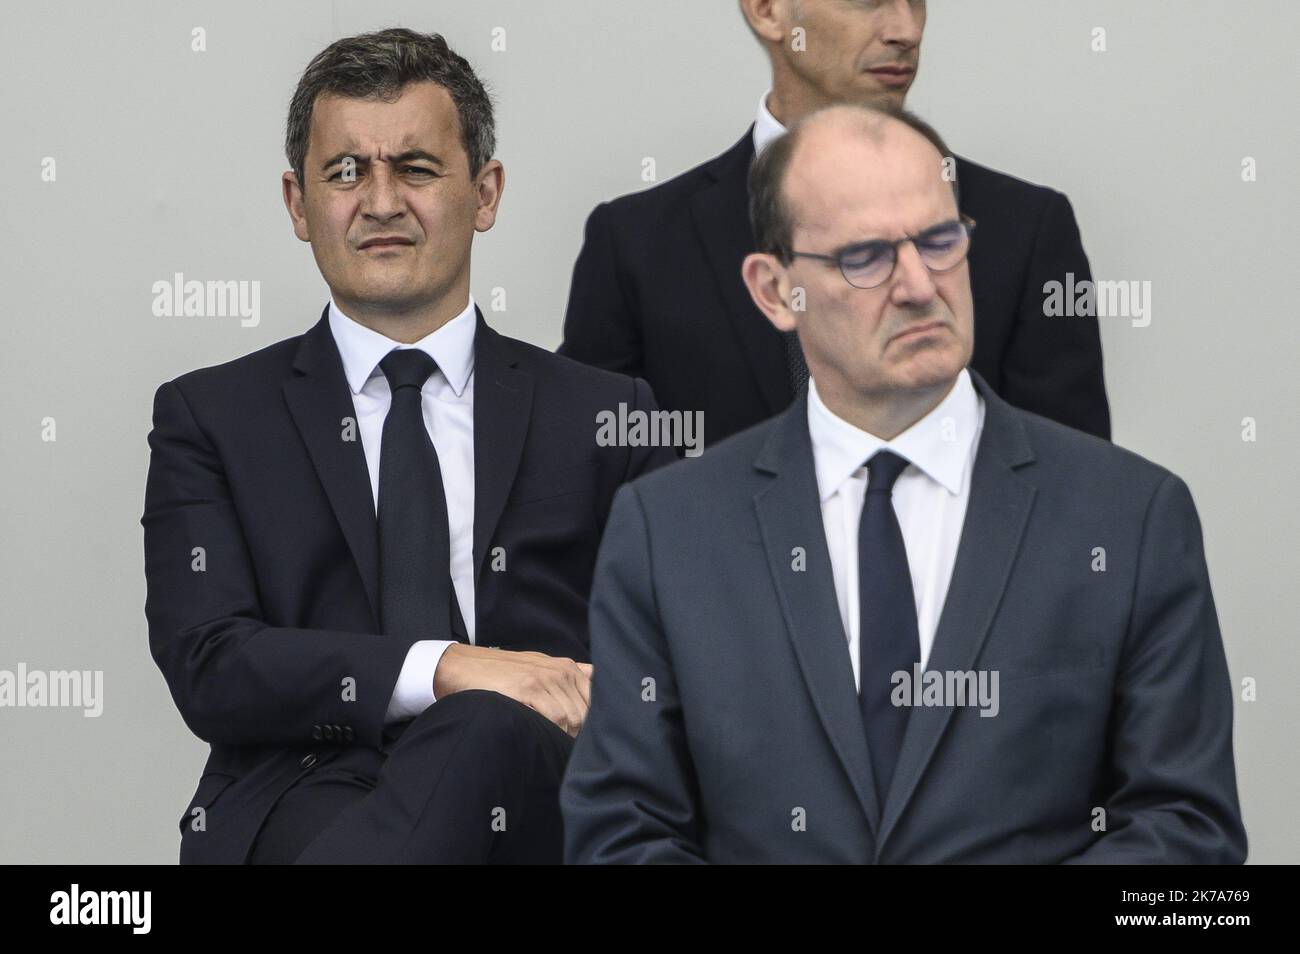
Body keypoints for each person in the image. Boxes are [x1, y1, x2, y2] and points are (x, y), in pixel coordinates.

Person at [560, 105, 1245, 863]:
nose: (920, 285)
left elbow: (1190, 839)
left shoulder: (1129, 517)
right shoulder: (669, 531)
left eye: (940, 241)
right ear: (773, 291)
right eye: (867, 257)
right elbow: (619, 833)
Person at [142, 28, 671, 865]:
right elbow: (212, 663)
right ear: (296, 203)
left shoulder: (608, 413)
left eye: (416, 168)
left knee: (488, 729)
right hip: (303, 792)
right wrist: (449, 668)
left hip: (543, 796)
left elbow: (670, 661)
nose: (380, 200)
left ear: (485, 192)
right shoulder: (209, 416)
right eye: (345, 171)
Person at [560, 0, 1110, 449]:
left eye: (916, 0)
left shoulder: (1027, 227)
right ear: (767, 10)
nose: (906, 29)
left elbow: (1072, 494)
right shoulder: (636, 243)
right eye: (868, 0)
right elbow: (593, 487)